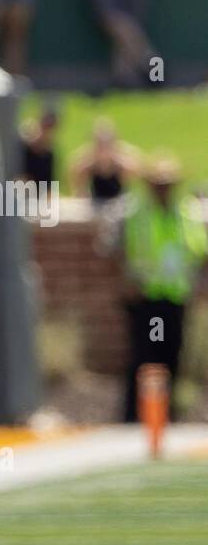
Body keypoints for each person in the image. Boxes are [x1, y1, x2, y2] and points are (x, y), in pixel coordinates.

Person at [115, 155, 206, 422]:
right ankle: (136, 416)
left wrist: (198, 282)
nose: (163, 189)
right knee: (147, 356)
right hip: (149, 298)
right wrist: (128, 282)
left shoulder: (185, 213)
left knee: (172, 355)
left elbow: (199, 250)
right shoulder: (137, 213)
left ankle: (166, 415)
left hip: (175, 296)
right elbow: (120, 250)